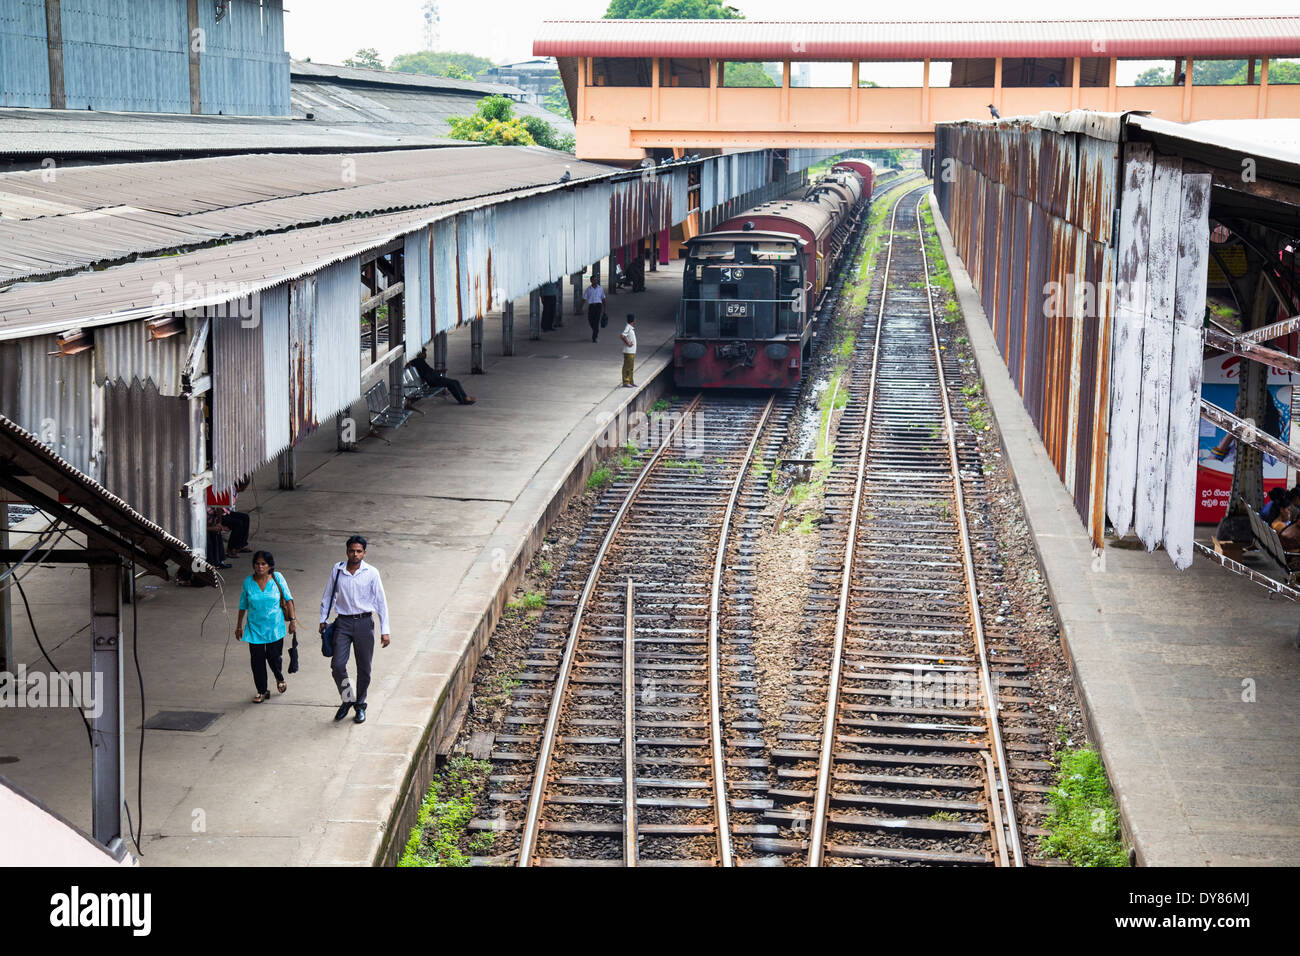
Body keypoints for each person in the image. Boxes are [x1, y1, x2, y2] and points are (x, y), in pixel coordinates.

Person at [319, 535, 390, 725]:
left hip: (364, 623)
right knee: (338, 665)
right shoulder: (338, 569)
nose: (355, 554)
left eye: (359, 551)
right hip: (342, 623)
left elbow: (381, 602)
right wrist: (323, 619)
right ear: (347, 551)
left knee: (364, 668)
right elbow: (328, 595)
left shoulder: (371, 573)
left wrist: (385, 630)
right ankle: (347, 698)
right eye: (352, 550)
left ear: (364, 553)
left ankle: (360, 705)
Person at [235, 551, 296, 703]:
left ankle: (278, 676)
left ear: (270, 566)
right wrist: (239, 626)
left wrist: (293, 620)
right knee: (257, 660)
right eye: (257, 563)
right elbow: (243, 605)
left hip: (275, 627)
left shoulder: (278, 578)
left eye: (263, 564)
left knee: (273, 656)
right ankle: (262, 691)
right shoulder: (248, 582)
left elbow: (288, 599)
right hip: (254, 627)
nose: (260, 567)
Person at [410, 348, 475, 405]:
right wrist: (439, 372)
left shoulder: (421, 361)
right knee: (452, 384)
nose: (425, 355)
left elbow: (431, 372)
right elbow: (428, 373)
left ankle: (464, 398)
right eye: (424, 353)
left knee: (455, 382)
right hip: (433, 381)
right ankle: (463, 400)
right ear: (420, 354)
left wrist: (440, 371)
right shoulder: (418, 362)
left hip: (436, 378)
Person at [208, 479, 251, 556]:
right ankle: (230, 549)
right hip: (217, 515)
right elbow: (219, 508)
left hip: (225, 512)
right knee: (238, 524)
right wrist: (219, 523)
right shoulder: (230, 492)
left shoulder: (235, 491)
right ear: (243, 486)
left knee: (245, 517)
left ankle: (240, 545)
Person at [583, 275, 607, 343]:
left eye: (596, 280)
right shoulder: (588, 289)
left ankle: (594, 337)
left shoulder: (600, 288)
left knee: (596, 322)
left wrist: (604, 309)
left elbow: (603, 299)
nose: (595, 281)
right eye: (593, 280)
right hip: (591, 306)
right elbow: (584, 298)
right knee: (590, 320)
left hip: (598, 306)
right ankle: (595, 330)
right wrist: (581, 308)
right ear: (591, 281)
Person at [620, 313, 637, 387]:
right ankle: (626, 381)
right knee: (627, 366)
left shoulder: (630, 328)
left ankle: (631, 381)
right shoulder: (628, 327)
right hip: (628, 351)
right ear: (633, 321)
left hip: (632, 351)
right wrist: (628, 343)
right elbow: (623, 336)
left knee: (631, 367)